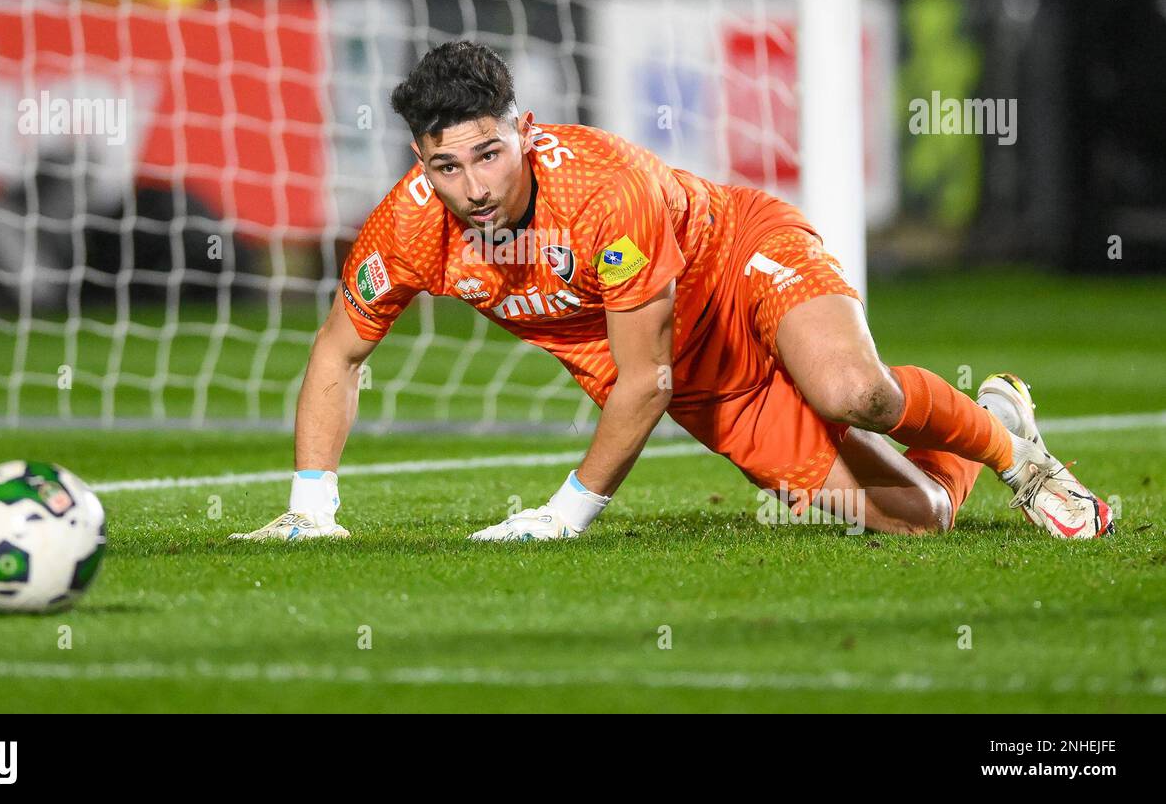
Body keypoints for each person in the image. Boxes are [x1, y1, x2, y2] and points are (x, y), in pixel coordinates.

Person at [232, 42, 1113, 543]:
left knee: (854, 391)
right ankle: (991, 423)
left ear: (525, 132)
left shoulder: (605, 193)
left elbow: (638, 381)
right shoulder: (411, 224)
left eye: (488, 154)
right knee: (919, 520)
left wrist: (565, 514)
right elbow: (337, 351)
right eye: (444, 166)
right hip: (705, 383)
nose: (472, 187)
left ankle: (1018, 458)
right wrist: (313, 506)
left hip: (739, 261)